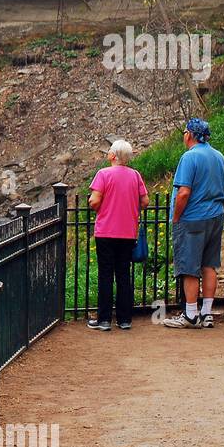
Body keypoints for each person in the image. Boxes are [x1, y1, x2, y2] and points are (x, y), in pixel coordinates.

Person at [164, 117, 224, 329]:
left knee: (189, 267)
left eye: (184, 132)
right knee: (209, 264)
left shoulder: (189, 157)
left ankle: (191, 314)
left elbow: (183, 192)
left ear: (190, 134)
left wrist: (176, 218)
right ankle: (207, 313)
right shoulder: (219, 156)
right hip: (216, 216)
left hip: (192, 219)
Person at [87, 139, 149, 331]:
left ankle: (104, 319)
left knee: (106, 274)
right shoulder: (135, 175)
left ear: (113, 155)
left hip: (106, 231)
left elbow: (95, 201)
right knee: (123, 274)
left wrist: (96, 204)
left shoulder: (103, 174)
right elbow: (145, 201)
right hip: (128, 232)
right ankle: (124, 319)